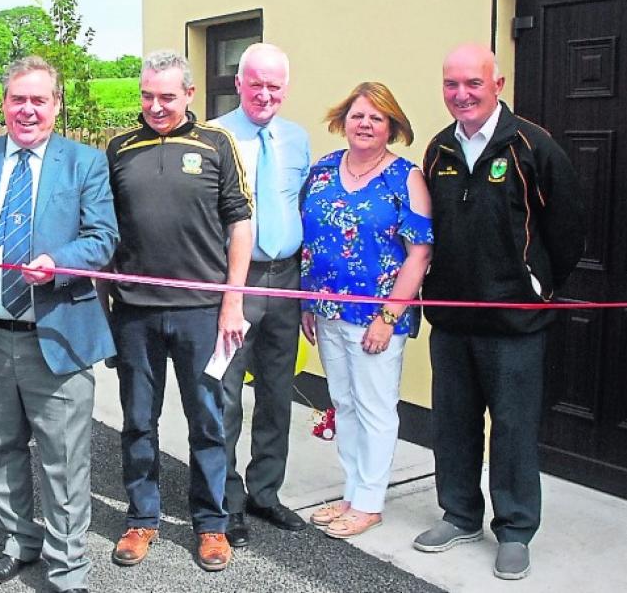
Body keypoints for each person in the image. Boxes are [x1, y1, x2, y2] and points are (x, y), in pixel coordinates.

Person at [0, 56, 117, 593]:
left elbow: (102, 238)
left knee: (63, 461)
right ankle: (18, 541)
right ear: (4, 104)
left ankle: (68, 567)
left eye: (39, 99)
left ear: (57, 105)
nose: (28, 109)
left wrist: (59, 264)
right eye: (18, 99)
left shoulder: (85, 163)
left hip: (56, 336)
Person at [413, 44, 583, 580]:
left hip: (515, 324)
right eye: (450, 84)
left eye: (472, 84)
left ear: (498, 84)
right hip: (453, 321)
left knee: (511, 430)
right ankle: (460, 514)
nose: (460, 94)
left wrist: (535, 285)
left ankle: (514, 529)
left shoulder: (534, 146)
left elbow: (568, 232)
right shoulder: (439, 149)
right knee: (453, 425)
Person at [105, 50, 252, 572]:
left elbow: (240, 225)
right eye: (147, 96)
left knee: (208, 421)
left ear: (190, 94)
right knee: (138, 421)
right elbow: (106, 231)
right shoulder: (119, 148)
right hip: (136, 314)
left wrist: (232, 300)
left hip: (202, 312)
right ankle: (142, 517)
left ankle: (211, 525)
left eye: (167, 96)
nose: (156, 106)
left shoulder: (216, 144)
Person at [299, 82, 433, 539]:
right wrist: (306, 299)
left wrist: (389, 315)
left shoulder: (405, 177)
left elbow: (419, 255)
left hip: (378, 318)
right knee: (343, 404)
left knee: (375, 408)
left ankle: (371, 501)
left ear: (392, 126)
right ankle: (354, 492)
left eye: (377, 117)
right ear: (344, 120)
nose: (365, 124)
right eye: (358, 115)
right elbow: (308, 240)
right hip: (325, 309)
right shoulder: (322, 170)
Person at [210, 43, 311, 546]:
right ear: (238, 83)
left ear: (286, 89)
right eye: (256, 84)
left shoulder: (297, 139)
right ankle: (226, 503)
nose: (265, 94)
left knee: (277, 391)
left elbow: (304, 209)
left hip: (287, 279)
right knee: (226, 394)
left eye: (275, 86)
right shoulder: (214, 136)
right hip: (237, 280)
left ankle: (265, 493)